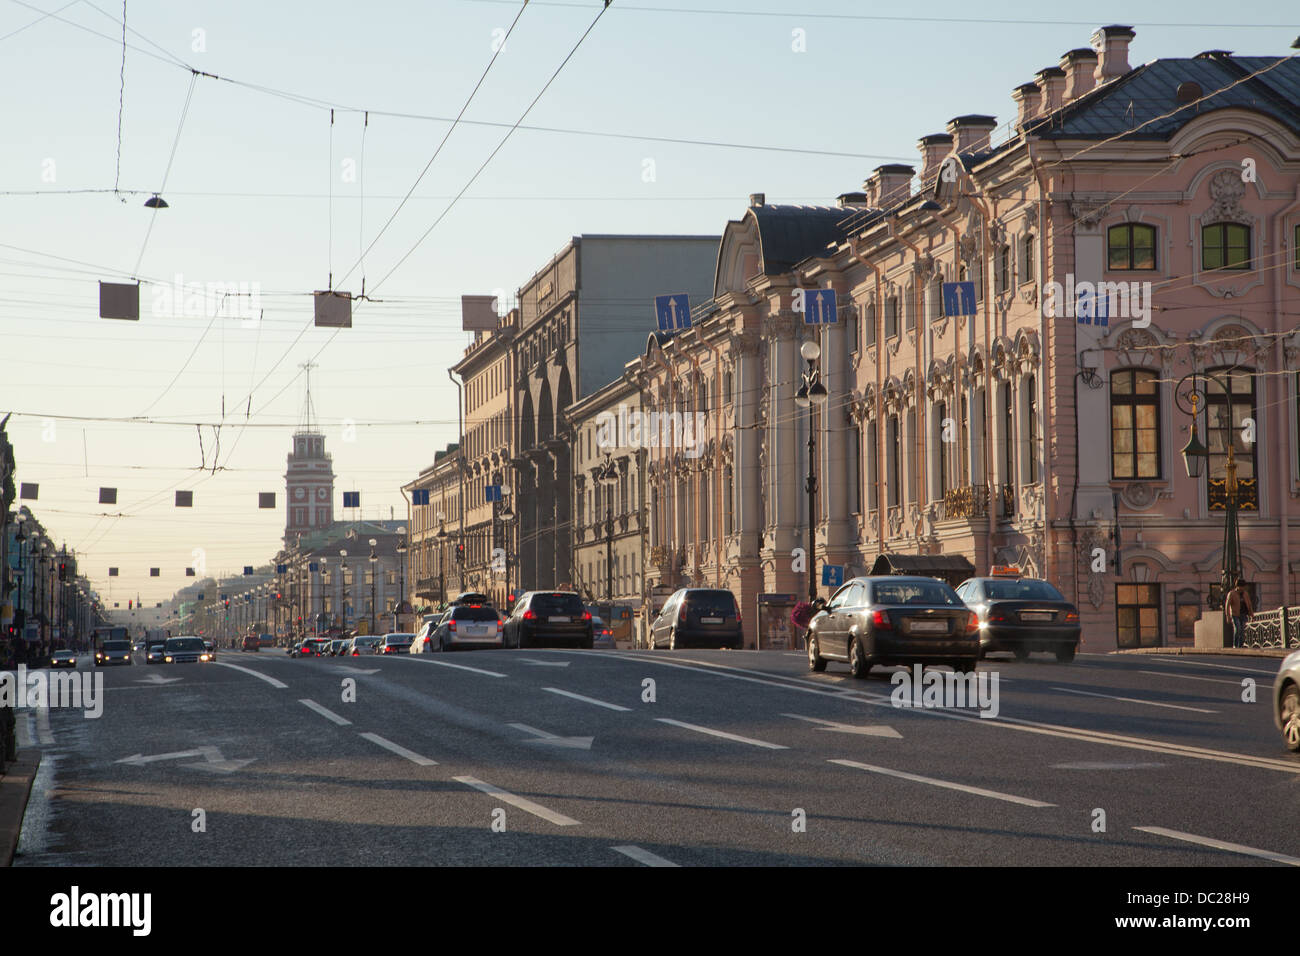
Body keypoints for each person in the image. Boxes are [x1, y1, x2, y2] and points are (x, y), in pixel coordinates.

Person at [1224, 578, 1253, 648]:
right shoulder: (1232, 593)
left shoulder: (1245, 594)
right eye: (1242, 587)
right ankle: (1235, 645)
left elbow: (1249, 604)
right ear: (1237, 586)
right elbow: (1227, 605)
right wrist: (1228, 616)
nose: (1243, 588)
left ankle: (1241, 645)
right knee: (1238, 629)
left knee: (1242, 630)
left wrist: (1251, 614)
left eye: (1244, 587)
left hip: (1243, 614)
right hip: (1235, 614)